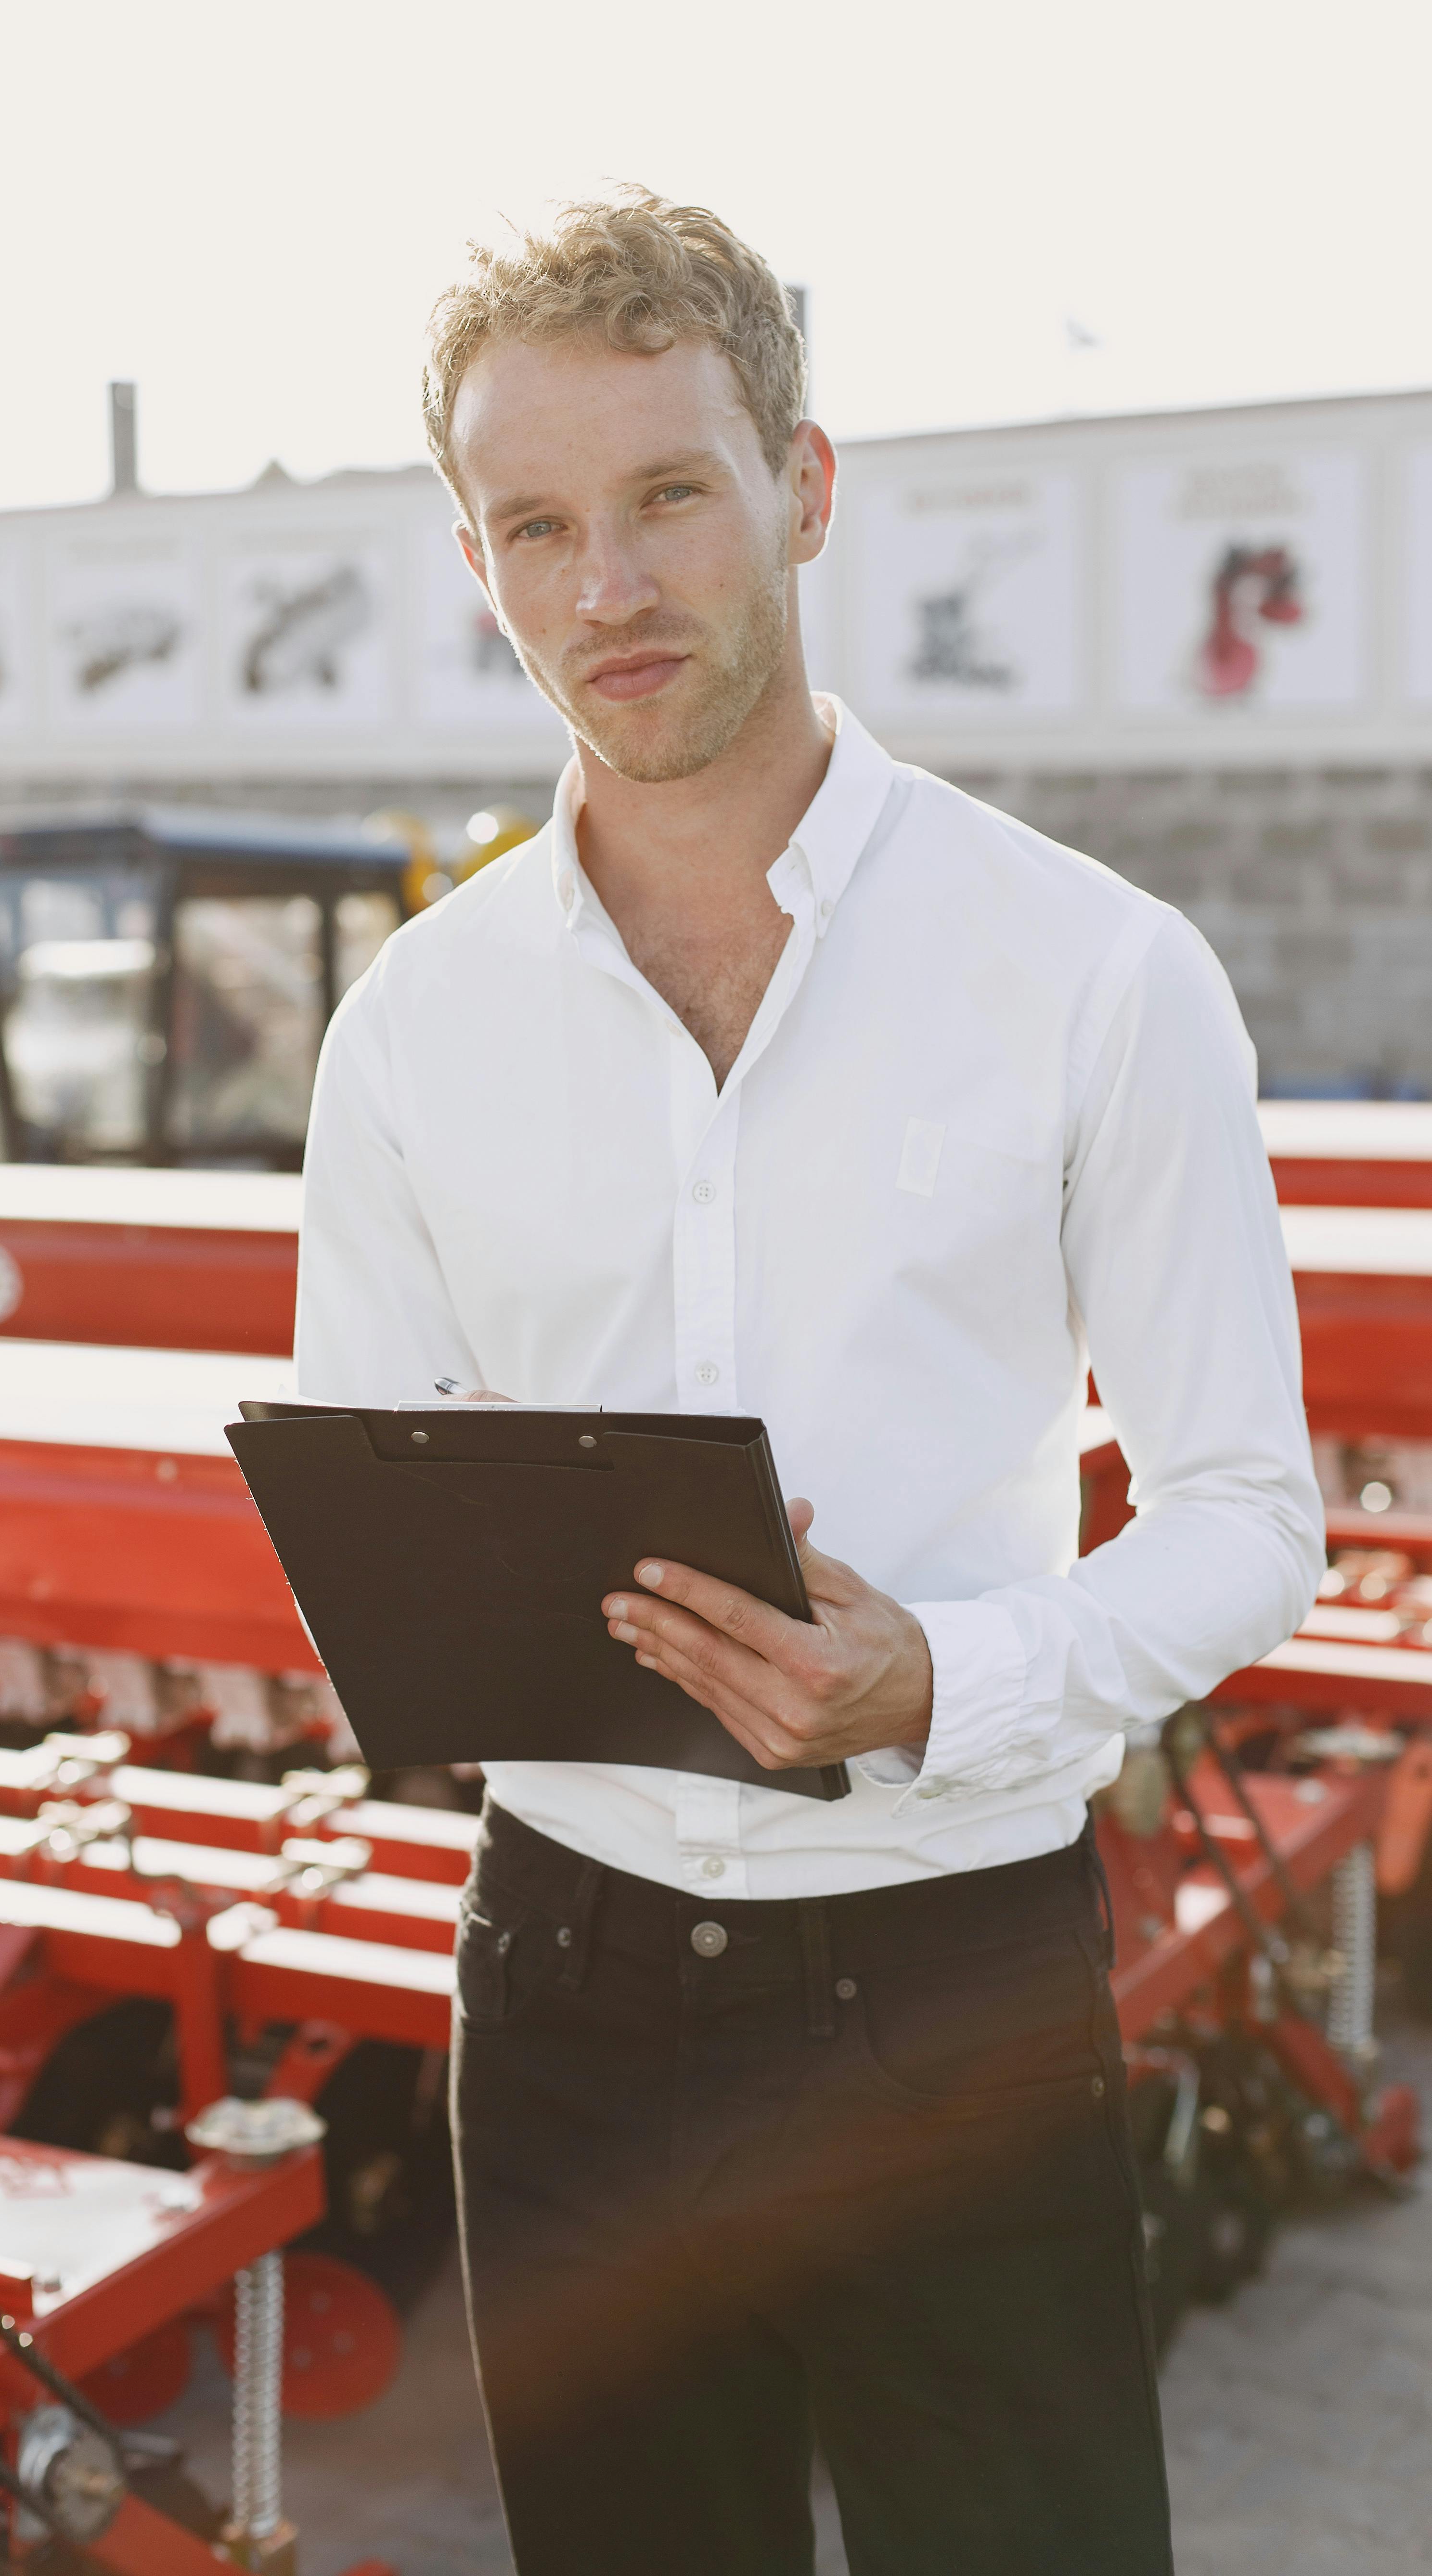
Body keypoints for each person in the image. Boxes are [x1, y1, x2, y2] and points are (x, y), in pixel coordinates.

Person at [293, 192, 1321, 2576]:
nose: (606, 589)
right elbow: (380, 1494)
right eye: (534, 526)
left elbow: (1253, 1509)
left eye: (669, 495)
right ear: (475, 557)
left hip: (949, 1983)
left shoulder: (1095, 971)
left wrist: (940, 1673)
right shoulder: (413, 1035)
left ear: (809, 489)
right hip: (562, 1983)